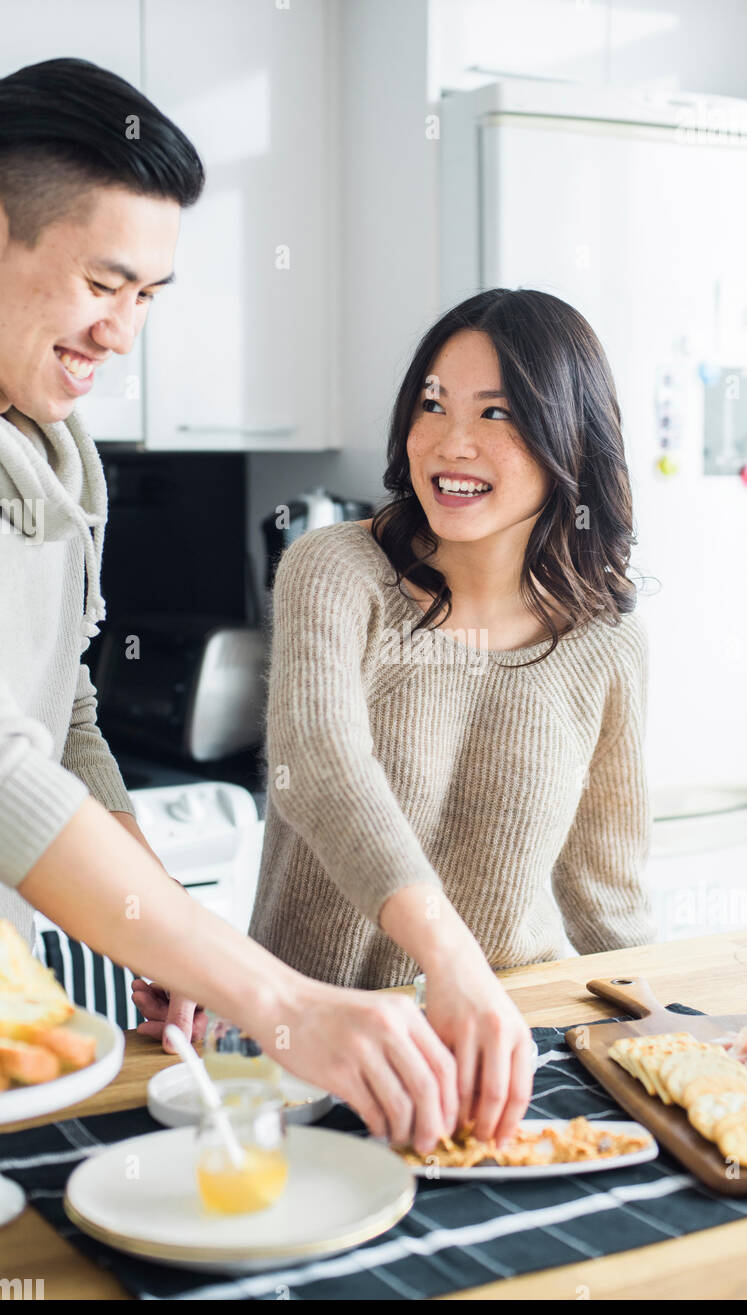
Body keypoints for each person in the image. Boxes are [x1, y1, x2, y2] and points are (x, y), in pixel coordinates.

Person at [0, 56, 464, 1155]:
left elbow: (57, 721)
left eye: (149, 297)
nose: (124, 333)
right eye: (104, 285)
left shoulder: (61, 456)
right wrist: (278, 997)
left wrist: (166, 934)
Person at [246, 288, 657, 1122]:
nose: (450, 441)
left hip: (509, 1050)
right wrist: (450, 959)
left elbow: (606, 893)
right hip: (307, 1050)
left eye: (497, 413)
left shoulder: (606, 647)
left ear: (568, 439)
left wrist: (677, 1034)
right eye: (431, 404)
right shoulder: (333, 572)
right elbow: (319, 768)